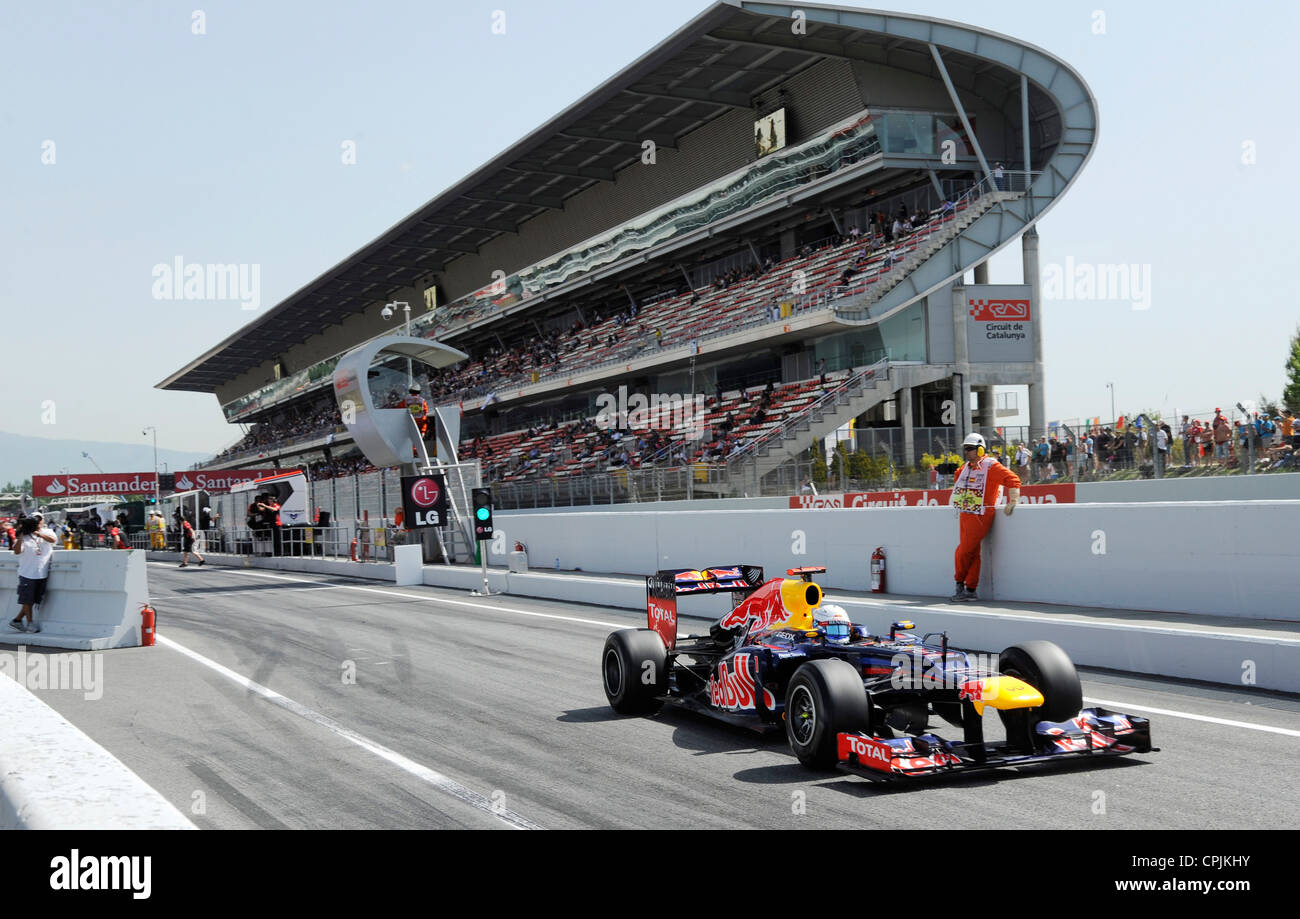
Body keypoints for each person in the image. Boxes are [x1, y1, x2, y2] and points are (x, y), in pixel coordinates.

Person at [949, 433, 1021, 602]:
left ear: (980, 450)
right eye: (964, 449)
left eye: (969, 449)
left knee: (964, 550)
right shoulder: (965, 468)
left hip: (980, 515)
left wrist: (1013, 500)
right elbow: (957, 478)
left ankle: (959, 583)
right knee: (973, 552)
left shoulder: (991, 466)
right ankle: (971, 589)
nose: (966, 452)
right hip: (965, 513)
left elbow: (1013, 479)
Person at [9, 512, 56, 633]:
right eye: (35, 521)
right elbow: (17, 551)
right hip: (27, 573)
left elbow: (53, 539)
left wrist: (38, 533)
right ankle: (30, 624)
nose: (38, 523)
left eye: (39, 520)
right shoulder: (24, 536)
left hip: (42, 573)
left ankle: (17, 620)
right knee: (27, 600)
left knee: (33, 600)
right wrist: (21, 535)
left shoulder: (47, 532)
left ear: (43, 521)